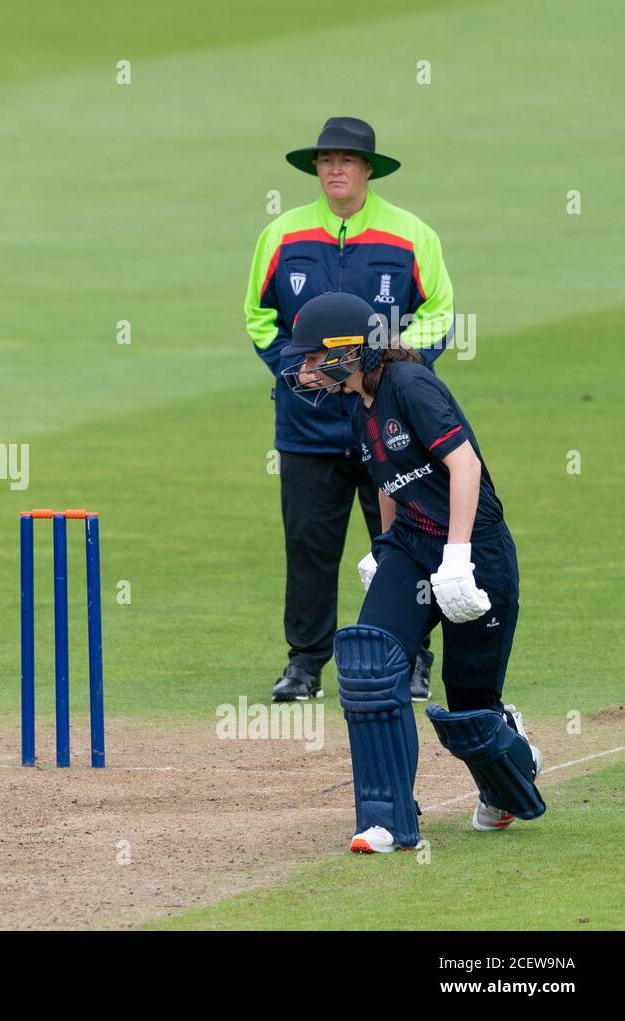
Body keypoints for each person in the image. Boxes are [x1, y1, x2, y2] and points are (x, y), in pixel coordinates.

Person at [282, 291, 544, 853]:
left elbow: (464, 464)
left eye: (310, 358)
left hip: (475, 550)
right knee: (369, 661)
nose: (302, 369)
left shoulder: (411, 385)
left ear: (350, 351)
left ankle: (508, 764)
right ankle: (387, 819)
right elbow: (388, 475)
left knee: (471, 706)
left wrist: (456, 558)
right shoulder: (361, 402)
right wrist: (383, 547)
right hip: (410, 545)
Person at [245, 117, 455, 704]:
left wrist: (395, 371)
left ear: (368, 169)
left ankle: (409, 655)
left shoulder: (411, 235)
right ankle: (306, 664)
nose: (335, 169)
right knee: (309, 544)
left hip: (387, 420)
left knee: (404, 539)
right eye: (326, 160)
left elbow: (438, 311)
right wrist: (297, 372)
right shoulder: (282, 235)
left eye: (346, 160)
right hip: (306, 422)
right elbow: (259, 315)